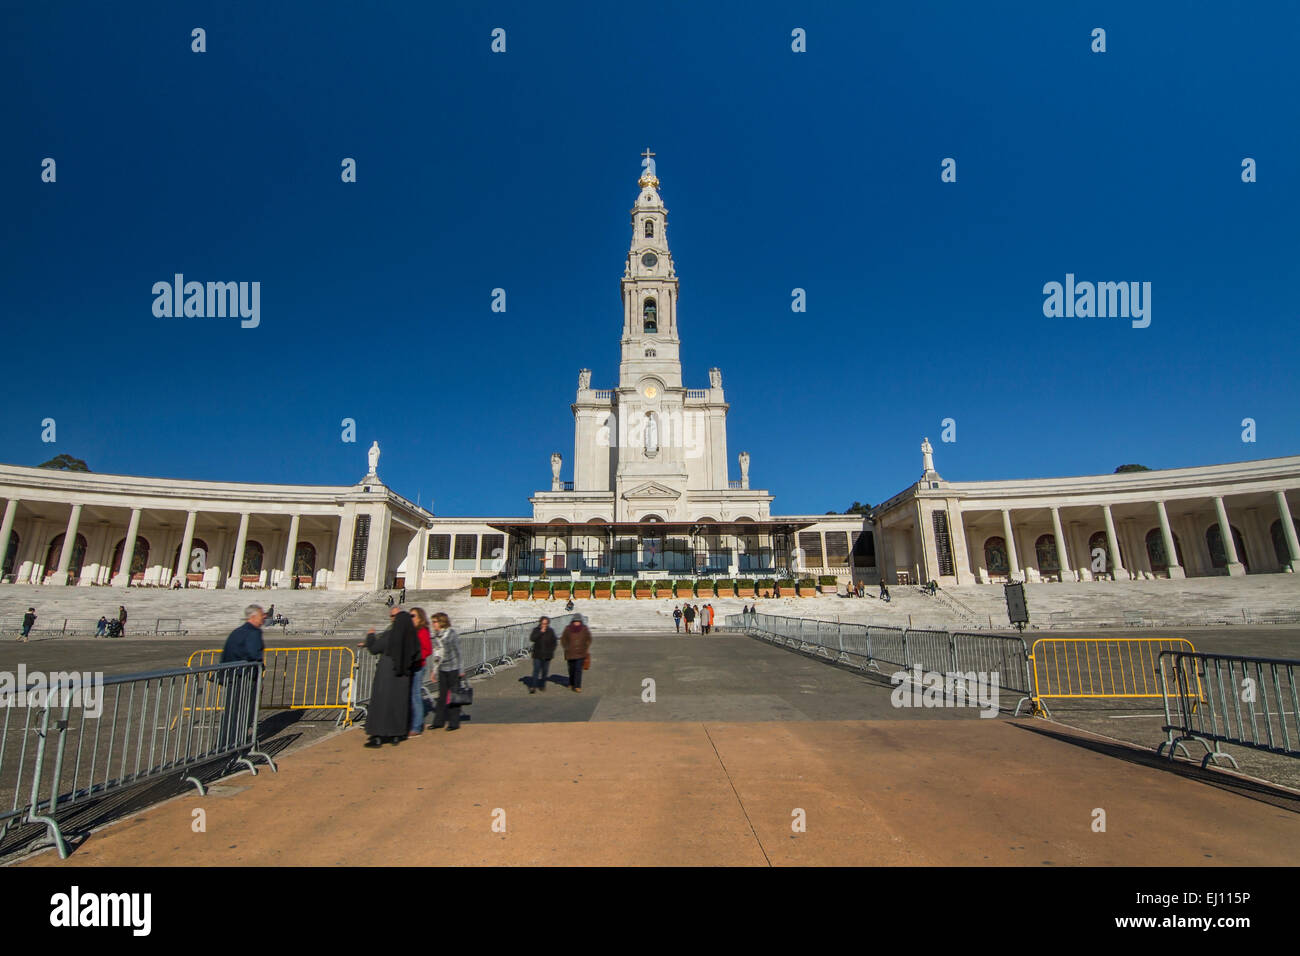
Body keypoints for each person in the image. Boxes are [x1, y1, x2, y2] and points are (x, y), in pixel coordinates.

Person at [360, 607, 421, 747]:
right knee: (399, 704)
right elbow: (417, 655)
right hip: (404, 675)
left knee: (382, 704)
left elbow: (374, 648)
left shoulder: (390, 635)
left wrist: (370, 636)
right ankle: (396, 734)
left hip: (386, 673)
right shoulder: (411, 638)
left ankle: (378, 736)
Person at [218, 605, 266, 748]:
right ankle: (236, 744)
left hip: (232, 675)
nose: (264, 618)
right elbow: (253, 654)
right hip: (246, 677)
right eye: (261, 615)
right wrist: (259, 668)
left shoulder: (237, 632)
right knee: (243, 712)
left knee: (231, 711)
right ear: (253, 617)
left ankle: (223, 743)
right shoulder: (253, 633)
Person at [431, 612, 465, 731]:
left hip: (453, 668)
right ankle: (438, 721)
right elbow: (436, 654)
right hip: (442, 668)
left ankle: (454, 722)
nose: (433, 624)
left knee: (454, 696)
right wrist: (434, 670)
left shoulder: (451, 634)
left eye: (435, 622)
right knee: (442, 696)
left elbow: (458, 652)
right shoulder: (436, 636)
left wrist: (461, 669)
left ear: (441, 622)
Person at [409, 607, 434, 735]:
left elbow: (428, 649)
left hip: (419, 665)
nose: (410, 618)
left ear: (420, 617)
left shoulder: (422, 630)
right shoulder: (411, 630)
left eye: (413, 616)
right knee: (411, 695)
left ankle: (417, 726)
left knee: (415, 695)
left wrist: (416, 656)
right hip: (410, 665)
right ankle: (412, 722)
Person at [561, 616, 592, 693]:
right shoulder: (568, 629)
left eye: (578, 622)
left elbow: (589, 638)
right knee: (571, 669)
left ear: (580, 622)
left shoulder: (584, 629)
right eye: (575, 622)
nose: (577, 623)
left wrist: (586, 647)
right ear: (572, 622)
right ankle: (571, 682)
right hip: (570, 653)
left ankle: (577, 686)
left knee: (578, 669)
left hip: (581, 653)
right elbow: (563, 639)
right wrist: (566, 647)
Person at [529, 616, 556, 693]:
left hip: (547, 655)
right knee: (536, 670)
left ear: (548, 624)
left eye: (545, 623)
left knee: (545, 671)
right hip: (537, 654)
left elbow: (554, 642)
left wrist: (551, 650)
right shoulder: (536, 630)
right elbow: (532, 638)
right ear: (540, 623)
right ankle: (533, 686)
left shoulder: (551, 631)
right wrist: (541, 632)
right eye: (543, 623)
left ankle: (542, 685)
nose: (544, 625)